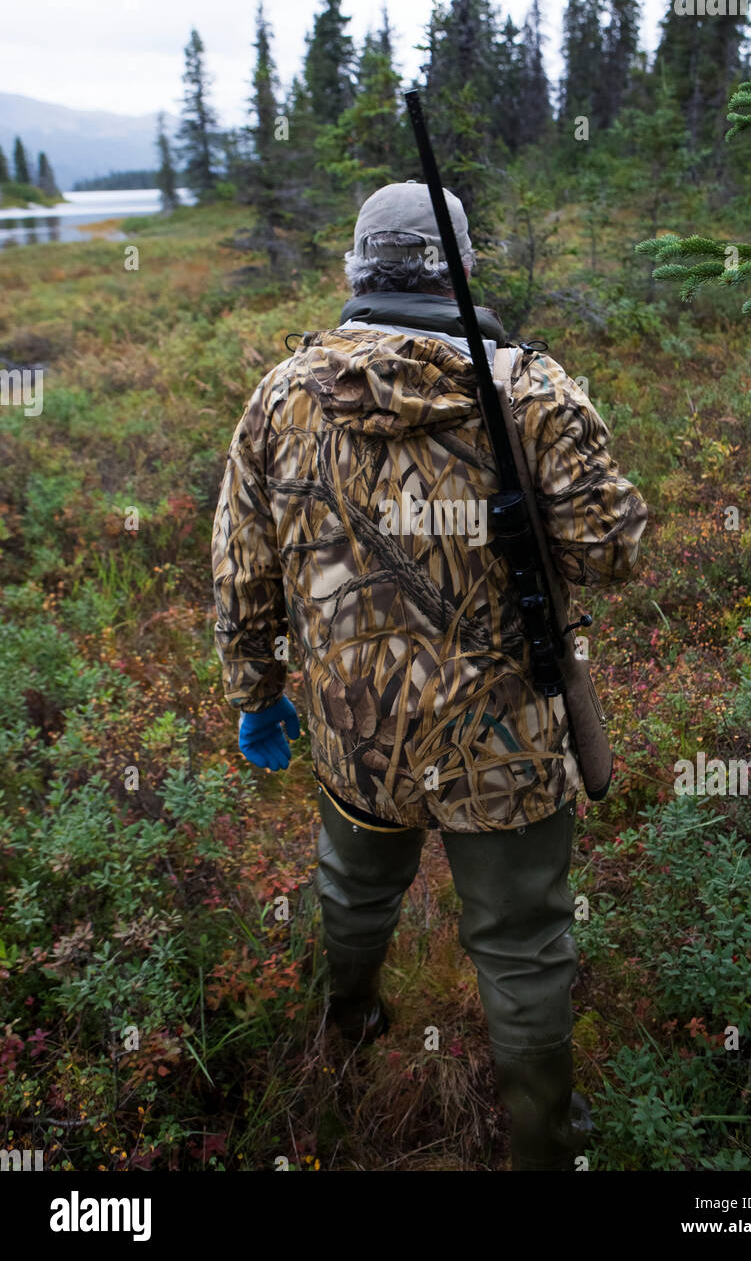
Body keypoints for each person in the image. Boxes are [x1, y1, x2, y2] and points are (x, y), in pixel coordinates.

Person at [211, 180, 648, 1170]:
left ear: (355, 270)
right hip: (505, 746)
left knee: (352, 896)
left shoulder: (281, 395)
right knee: (523, 943)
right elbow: (614, 551)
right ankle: (540, 1136)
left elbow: (241, 568)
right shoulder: (533, 390)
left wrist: (256, 694)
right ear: (463, 266)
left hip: (354, 733)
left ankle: (349, 1032)